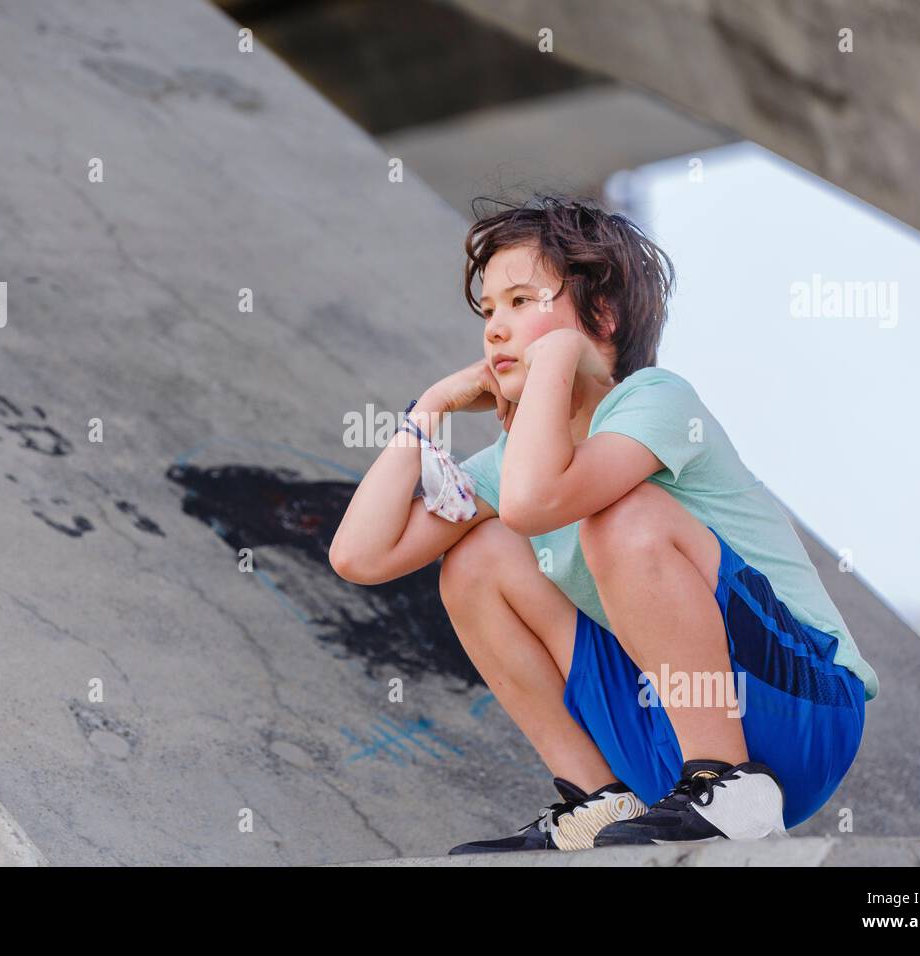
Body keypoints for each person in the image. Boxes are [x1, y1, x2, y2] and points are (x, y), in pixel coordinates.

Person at [329, 194, 878, 853]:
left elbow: (538, 501)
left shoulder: (656, 400)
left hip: (799, 707)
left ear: (603, 316)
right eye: (488, 311)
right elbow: (360, 556)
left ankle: (731, 784)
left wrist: (560, 357)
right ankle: (599, 801)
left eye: (523, 301)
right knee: (477, 558)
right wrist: (432, 408)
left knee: (618, 515)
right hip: (659, 742)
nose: (496, 328)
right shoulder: (513, 464)